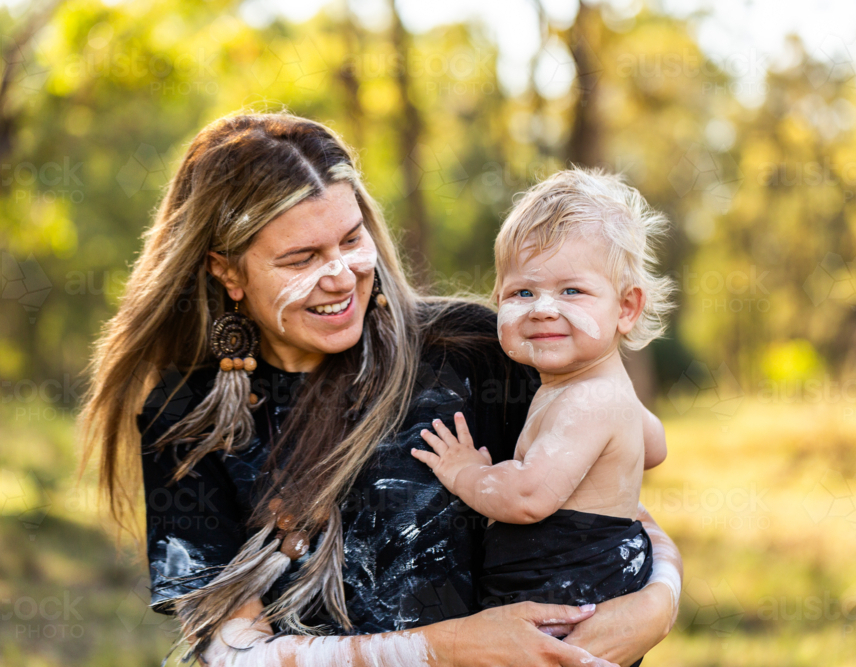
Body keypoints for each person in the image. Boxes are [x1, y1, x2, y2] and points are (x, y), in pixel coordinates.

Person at [79, 112, 683, 667]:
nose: (340, 276)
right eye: (301, 258)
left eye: (350, 239)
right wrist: (444, 649)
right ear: (227, 271)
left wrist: (658, 602)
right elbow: (232, 655)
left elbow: (606, 493)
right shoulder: (188, 415)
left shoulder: (470, 349)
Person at [411, 169, 676, 667]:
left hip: (566, 591)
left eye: (572, 291)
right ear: (497, 301)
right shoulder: (605, 390)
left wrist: (464, 472)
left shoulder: (587, 400)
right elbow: (656, 446)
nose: (544, 309)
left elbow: (529, 498)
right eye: (522, 294)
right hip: (581, 582)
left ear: (626, 307)